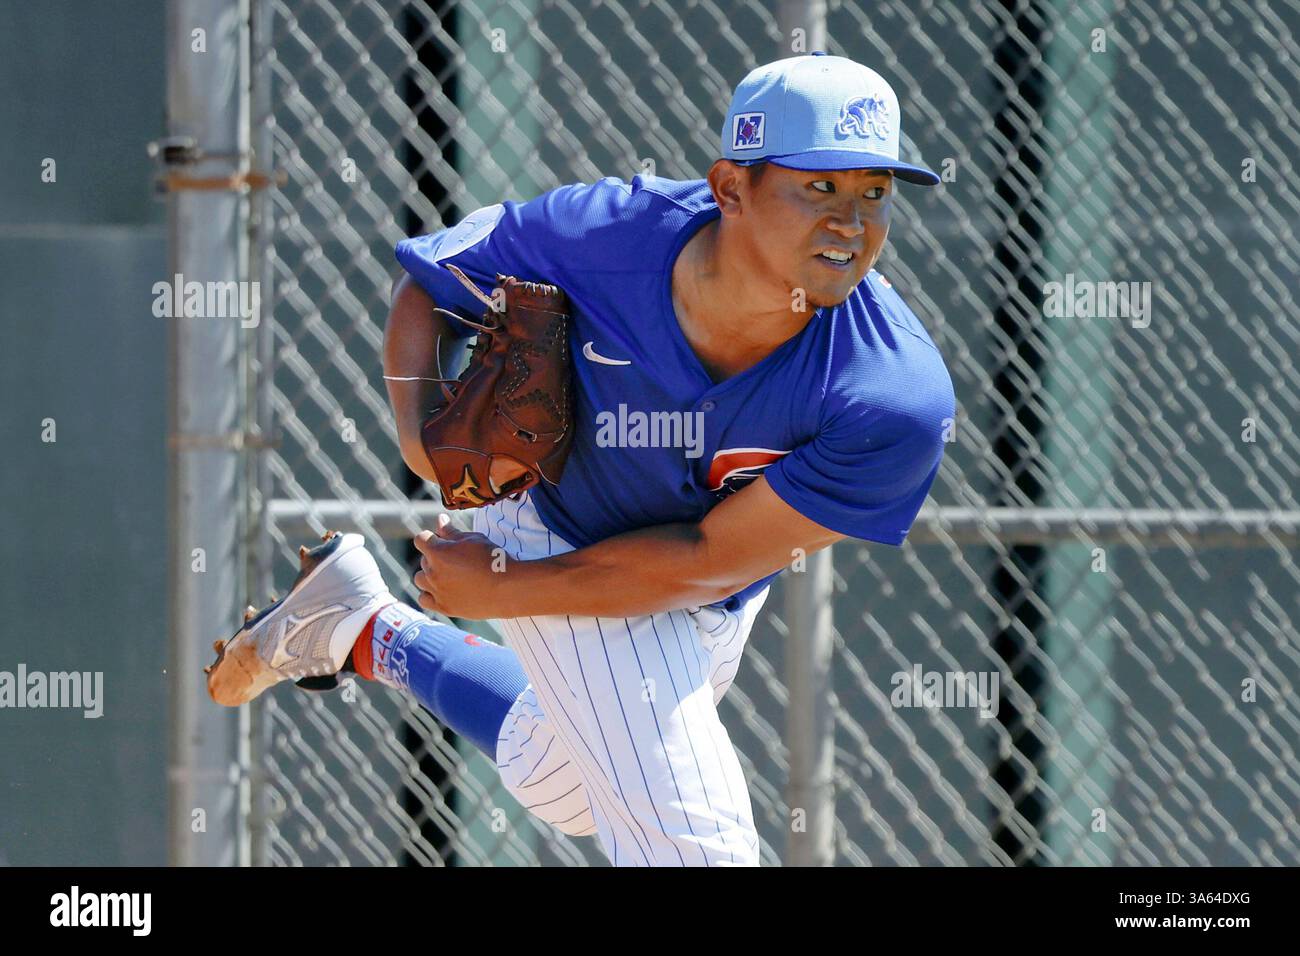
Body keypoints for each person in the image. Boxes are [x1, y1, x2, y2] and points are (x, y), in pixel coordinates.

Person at [207, 52, 955, 867]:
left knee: (559, 779)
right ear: (730, 188)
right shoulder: (601, 235)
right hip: (543, 513)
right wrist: (424, 441)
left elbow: (706, 560)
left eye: (874, 192)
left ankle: (364, 628)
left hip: (696, 582)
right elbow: (430, 284)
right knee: (692, 838)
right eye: (820, 186)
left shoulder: (891, 395)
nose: (852, 221)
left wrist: (500, 593)